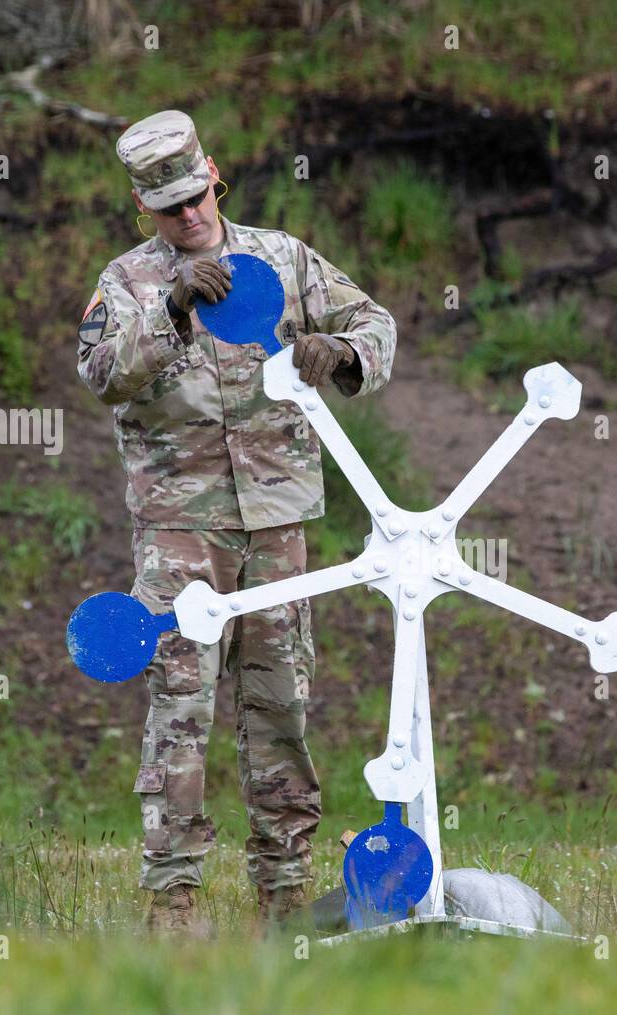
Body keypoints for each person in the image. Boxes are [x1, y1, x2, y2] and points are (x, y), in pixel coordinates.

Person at [76, 110, 396, 936]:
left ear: (215, 174)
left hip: (278, 524)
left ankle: (285, 889)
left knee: (280, 703)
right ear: (142, 208)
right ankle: (173, 895)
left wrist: (343, 354)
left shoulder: (282, 259)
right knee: (180, 705)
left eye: (195, 196)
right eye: (168, 207)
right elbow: (105, 374)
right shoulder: (127, 283)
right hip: (180, 527)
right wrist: (174, 310)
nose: (188, 217)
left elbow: (377, 324)